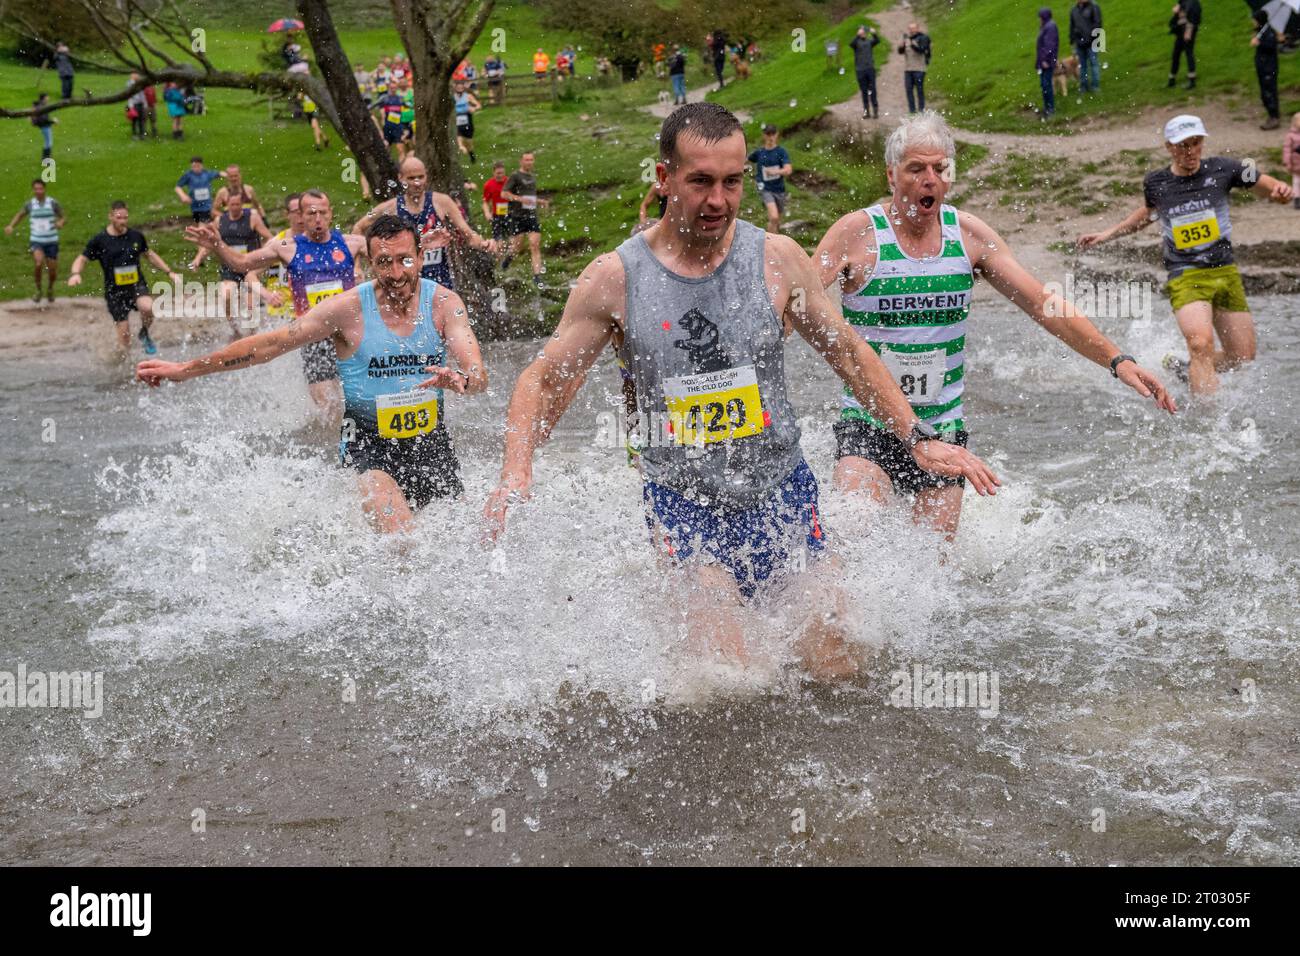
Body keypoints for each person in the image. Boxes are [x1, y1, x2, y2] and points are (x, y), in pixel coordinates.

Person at [483, 103, 999, 679]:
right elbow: (545, 378)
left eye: (732, 182)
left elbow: (852, 353)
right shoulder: (616, 278)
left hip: (782, 497)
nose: (718, 201)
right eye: (700, 181)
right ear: (664, 178)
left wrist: (916, 436)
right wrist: (516, 473)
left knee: (836, 664)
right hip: (685, 506)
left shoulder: (777, 261)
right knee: (728, 673)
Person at [818, 110, 1173, 543]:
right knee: (854, 538)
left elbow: (1044, 304)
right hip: (869, 422)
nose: (930, 178)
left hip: (943, 427)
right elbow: (795, 304)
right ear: (892, 175)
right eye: (916, 168)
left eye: (940, 168)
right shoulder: (856, 234)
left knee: (933, 572)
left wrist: (1116, 359)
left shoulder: (968, 235)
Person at [138, 215, 487, 533]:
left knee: (456, 543)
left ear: (421, 258)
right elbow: (269, 346)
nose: (396, 274)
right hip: (369, 447)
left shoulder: (444, 303)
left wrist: (463, 380)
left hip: (431, 445)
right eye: (384, 262)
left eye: (405, 260)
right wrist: (185, 369)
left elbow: (476, 371)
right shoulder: (347, 309)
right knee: (401, 539)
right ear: (368, 263)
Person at [1078, 114, 1294, 394]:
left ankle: (1183, 368)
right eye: (1182, 145)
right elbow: (1150, 213)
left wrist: (1279, 191)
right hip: (1185, 273)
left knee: (1242, 357)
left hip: (1225, 271)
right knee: (1200, 345)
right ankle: (1204, 424)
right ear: (1169, 147)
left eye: (1195, 143)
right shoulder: (1156, 182)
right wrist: (1107, 234)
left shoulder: (1224, 169)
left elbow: (1264, 184)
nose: (1190, 151)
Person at [185, 189, 368, 419]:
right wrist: (218, 245)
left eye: (322, 212)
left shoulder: (353, 243)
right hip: (312, 337)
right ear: (301, 216)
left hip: (350, 335)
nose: (318, 218)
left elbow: (396, 257)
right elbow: (242, 264)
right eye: (311, 213)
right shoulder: (286, 247)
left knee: (359, 406)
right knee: (329, 411)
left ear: (330, 213)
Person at [352, 156, 497, 292]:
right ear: (400, 178)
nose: (417, 182)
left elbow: (469, 235)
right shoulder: (391, 208)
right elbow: (358, 227)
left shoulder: (442, 202)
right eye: (411, 178)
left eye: (421, 177)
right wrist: (357, 266)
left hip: (440, 283)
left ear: (426, 176)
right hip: (404, 284)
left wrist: (484, 244)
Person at [68, 200, 181, 355]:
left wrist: (169, 272)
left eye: (125, 218)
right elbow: (82, 259)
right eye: (119, 218)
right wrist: (75, 274)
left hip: (136, 284)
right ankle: (125, 369)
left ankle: (144, 333)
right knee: (124, 337)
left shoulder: (136, 236)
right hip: (114, 291)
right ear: (111, 217)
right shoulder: (100, 240)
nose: (123, 221)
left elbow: (149, 255)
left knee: (148, 308)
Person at [188, 190, 276, 338]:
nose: (235, 207)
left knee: (250, 306)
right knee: (226, 295)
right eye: (232, 204)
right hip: (230, 266)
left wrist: (266, 254)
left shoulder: (252, 218)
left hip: (250, 266)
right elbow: (212, 243)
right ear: (226, 205)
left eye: (238, 204)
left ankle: (253, 335)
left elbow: (269, 237)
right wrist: (198, 259)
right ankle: (235, 329)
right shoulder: (220, 221)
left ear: (242, 204)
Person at [6, 179, 65, 304]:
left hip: (51, 240)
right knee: (38, 263)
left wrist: (60, 223)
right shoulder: (30, 204)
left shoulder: (52, 203)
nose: (38, 191)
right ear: (33, 190)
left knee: (52, 269)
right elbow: (20, 215)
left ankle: (50, 289)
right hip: (36, 240)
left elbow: (63, 217)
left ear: (44, 189)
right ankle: (38, 290)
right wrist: (11, 226)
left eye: (40, 188)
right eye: (36, 189)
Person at [500, 152, 551, 286]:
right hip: (518, 216)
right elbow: (504, 193)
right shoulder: (515, 176)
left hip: (532, 216)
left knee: (534, 245)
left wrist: (541, 202)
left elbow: (530, 198)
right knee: (517, 247)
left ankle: (537, 276)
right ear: (521, 161)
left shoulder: (532, 177)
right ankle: (508, 259)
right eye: (526, 160)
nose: (529, 162)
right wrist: (520, 199)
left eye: (531, 160)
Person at [261, 192, 305, 324]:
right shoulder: (276, 243)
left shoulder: (317, 240)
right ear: (286, 215)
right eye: (297, 212)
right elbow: (250, 275)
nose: (301, 216)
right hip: (281, 312)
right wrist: (267, 295)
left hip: (308, 308)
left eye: (305, 211)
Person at [748, 124, 792, 234]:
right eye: (768, 134)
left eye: (773, 134)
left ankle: (772, 243)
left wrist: (775, 172)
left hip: (779, 190)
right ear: (764, 135)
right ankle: (767, 246)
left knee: (776, 221)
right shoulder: (759, 153)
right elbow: (744, 160)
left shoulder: (781, 152)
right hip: (764, 189)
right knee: (774, 217)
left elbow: (788, 170)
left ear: (777, 135)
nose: (770, 137)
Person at [1252, 10, 1281, 131]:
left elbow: (1271, 46)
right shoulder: (1262, 31)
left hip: (1269, 68)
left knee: (1269, 92)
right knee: (1264, 93)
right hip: (1263, 68)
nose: (1252, 22)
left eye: (1254, 20)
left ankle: (1274, 116)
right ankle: (1271, 114)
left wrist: (1259, 43)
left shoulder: (1269, 32)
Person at [1068, 0, 1102, 94]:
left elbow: (1098, 24)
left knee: (1094, 64)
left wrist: (1091, 37)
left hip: (1092, 42)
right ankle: (1084, 86)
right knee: (1082, 66)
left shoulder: (1094, 7)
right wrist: (1072, 39)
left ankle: (1095, 86)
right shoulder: (1074, 10)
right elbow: (1072, 25)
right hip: (1080, 43)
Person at [175, 157, 222, 222]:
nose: (196, 168)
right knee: (200, 222)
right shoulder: (188, 175)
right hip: (195, 206)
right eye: (194, 166)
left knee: (206, 221)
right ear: (191, 167)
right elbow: (178, 187)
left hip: (207, 206)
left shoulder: (207, 173)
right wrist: (183, 196)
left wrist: (227, 174)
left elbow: (219, 174)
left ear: (202, 165)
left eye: (198, 166)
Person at [898, 22, 931, 114]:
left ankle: (921, 110)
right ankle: (912, 111)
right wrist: (902, 45)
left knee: (919, 90)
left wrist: (912, 44)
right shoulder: (907, 39)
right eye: (910, 28)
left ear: (917, 28)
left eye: (913, 28)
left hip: (919, 69)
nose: (912, 30)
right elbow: (900, 52)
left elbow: (921, 50)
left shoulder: (923, 38)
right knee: (908, 90)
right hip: (908, 69)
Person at [850, 25, 880, 119]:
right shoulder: (856, 43)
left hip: (870, 69)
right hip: (860, 70)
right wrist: (857, 35)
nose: (863, 34)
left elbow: (877, 41)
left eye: (864, 32)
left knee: (873, 90)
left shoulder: (869, 42)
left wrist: (874, 33)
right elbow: (851, 44)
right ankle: (866, 111)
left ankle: (875, 110)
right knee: (864, 91)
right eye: (861, 33)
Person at [1169, 1, 1200, 90]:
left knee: (1188, 53)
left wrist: (1188, 32)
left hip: (1187, 31)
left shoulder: (1192, 3)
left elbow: (1194, 17)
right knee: (1176, 54)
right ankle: (1171, 79)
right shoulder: (1183, 2)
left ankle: (1192, 81)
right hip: (1181, 32)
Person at [482, 162, 512, 245]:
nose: (501, 175)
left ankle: (511, 257)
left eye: (502, 173)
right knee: (499, 243)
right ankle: (499, 257)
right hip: (497, 216)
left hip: (510, 214)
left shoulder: (510, 182)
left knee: (513, 241)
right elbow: (485, 202)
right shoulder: (489, 185)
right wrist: (487, 213)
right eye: (498, 173)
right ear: (493, 173)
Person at [452, 80, 482, 164]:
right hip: (457, 119)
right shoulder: (452, 97)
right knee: (458, 135)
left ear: (463, 87)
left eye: (461, 86)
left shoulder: (468, 96)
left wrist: (474, 108)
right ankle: (461, 146)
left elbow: (479, 105)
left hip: (467, 119)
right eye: (458, 87)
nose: (459, 88)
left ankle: (471, 153)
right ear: (455, 88)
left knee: (469, 143)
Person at [1037, 8, 1058, 121]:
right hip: (1043, 61)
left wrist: (1045, 60)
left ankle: (1050, 109)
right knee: (1044, 85)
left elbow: (1049, 45)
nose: (1039, 19)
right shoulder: (1046, 26)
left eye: (1040, 17)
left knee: (1046, 85)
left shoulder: (1050, 27)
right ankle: (1047, 108)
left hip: (1047, 62)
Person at [377, 83, 408, 159]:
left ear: (397, 88)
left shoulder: (400, 98)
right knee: (386, 148)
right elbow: (377, 108)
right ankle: (387, 167)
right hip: (387, 127)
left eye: (394, 88)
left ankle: (402, 168)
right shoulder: (385, 99)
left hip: (398, 127)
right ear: (388, 88)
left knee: (400, 149)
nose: (393, 89)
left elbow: (409, 107)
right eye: (391, 88)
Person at [31, 93, 56, 160]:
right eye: (47, 97)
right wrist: (53, 121)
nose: (48, 99)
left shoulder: (41, 106)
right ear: (43, 98)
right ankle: (46, 157)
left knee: (48, 141)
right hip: (45, 126)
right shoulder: (42, 107)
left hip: (44, 126)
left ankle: (46, 156)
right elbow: (44, 119)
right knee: (48, 142)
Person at [1283, 112, 1300, 210]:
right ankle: (1297, 198)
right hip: (1296, 164)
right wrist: (1287, 162)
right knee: (1297, 181)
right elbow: (1287, 149)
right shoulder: (1290, 136)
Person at [126, 75, 147, 140]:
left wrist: (145, 104)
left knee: (141, 120)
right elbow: (129, 96)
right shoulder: (130, 84)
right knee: (134, 120)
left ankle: (141, 134)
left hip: (140, 104)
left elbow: (142, 94)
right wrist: (131, 106)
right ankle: (134, 134)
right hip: (134, 104)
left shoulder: (140, 84)